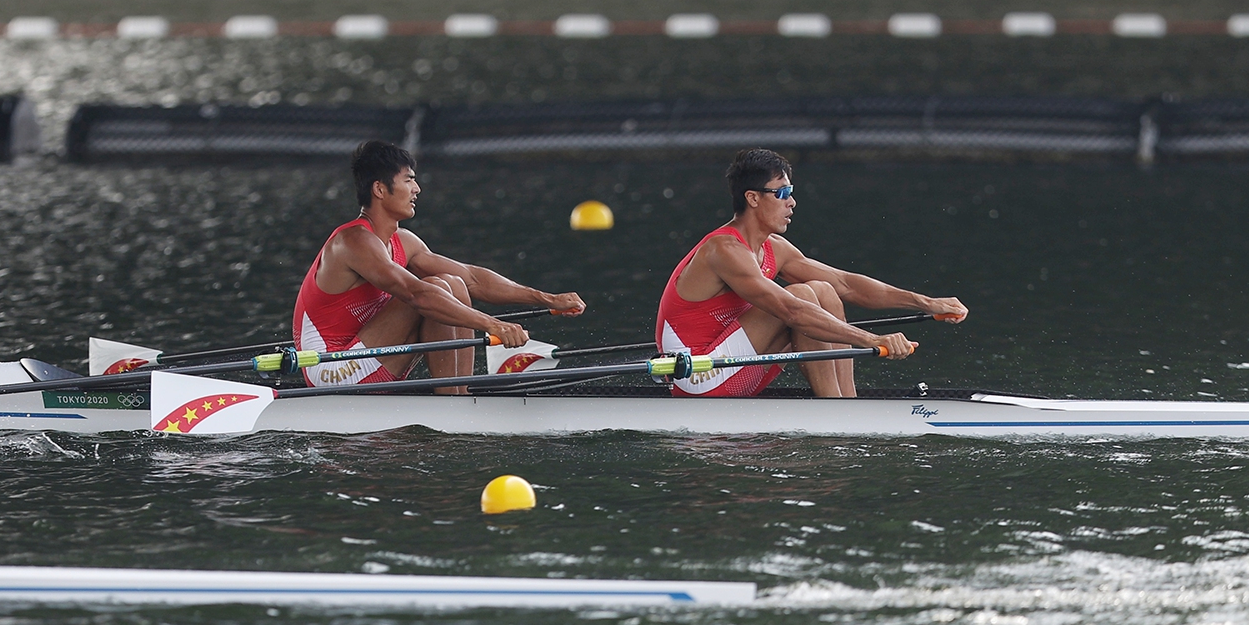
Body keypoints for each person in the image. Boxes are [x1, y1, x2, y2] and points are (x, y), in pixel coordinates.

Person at [655, 149, 968, 398]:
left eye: (791, 191)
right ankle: (835, 411)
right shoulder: (724, 250)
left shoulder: (774, 248)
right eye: (781, 192)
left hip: (736, 368)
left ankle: (845, 403)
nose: (791, 202)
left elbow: (847, 285)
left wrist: (925, 302)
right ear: (752, 198)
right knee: (801, 295)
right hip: (697, 376)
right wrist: (871, 340)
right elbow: (791, 310)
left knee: (824, 290)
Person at [292, 140, 585, 392]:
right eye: (408, 180)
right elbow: (416, 295)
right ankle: (454, 405)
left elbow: (472, 279)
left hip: (366, 357)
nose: (417, 188)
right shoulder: (352, 241)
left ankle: (457, 396)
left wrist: (546, 298)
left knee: (452, 283)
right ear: (380, 189)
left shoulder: (403, 242)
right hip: (329, 370)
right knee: (432, 288)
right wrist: (492, 325)